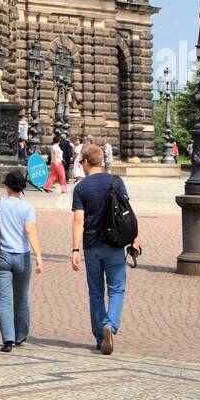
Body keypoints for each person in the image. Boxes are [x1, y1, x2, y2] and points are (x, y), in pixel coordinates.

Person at [71, 144, 139, 354]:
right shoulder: (116, 182)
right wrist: (134, 240)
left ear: (84, 162)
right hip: (114, 243)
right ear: (101, 161)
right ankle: (111, 324)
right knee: (117, 288)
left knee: (96, 293)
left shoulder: (81, 188)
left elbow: (78, 220)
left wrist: (75, 250)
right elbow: (127, 213)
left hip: (92, 246)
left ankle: (101, 337)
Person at [0, 169, 44, 352]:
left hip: (0, 257)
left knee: (3, 298)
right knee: (21, 298)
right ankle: (20, 336)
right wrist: (38, 256)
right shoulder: (27, 207)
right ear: (22, 187)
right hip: (22, 257)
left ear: (7, 186)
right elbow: (30, 231)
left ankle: (7, 339)